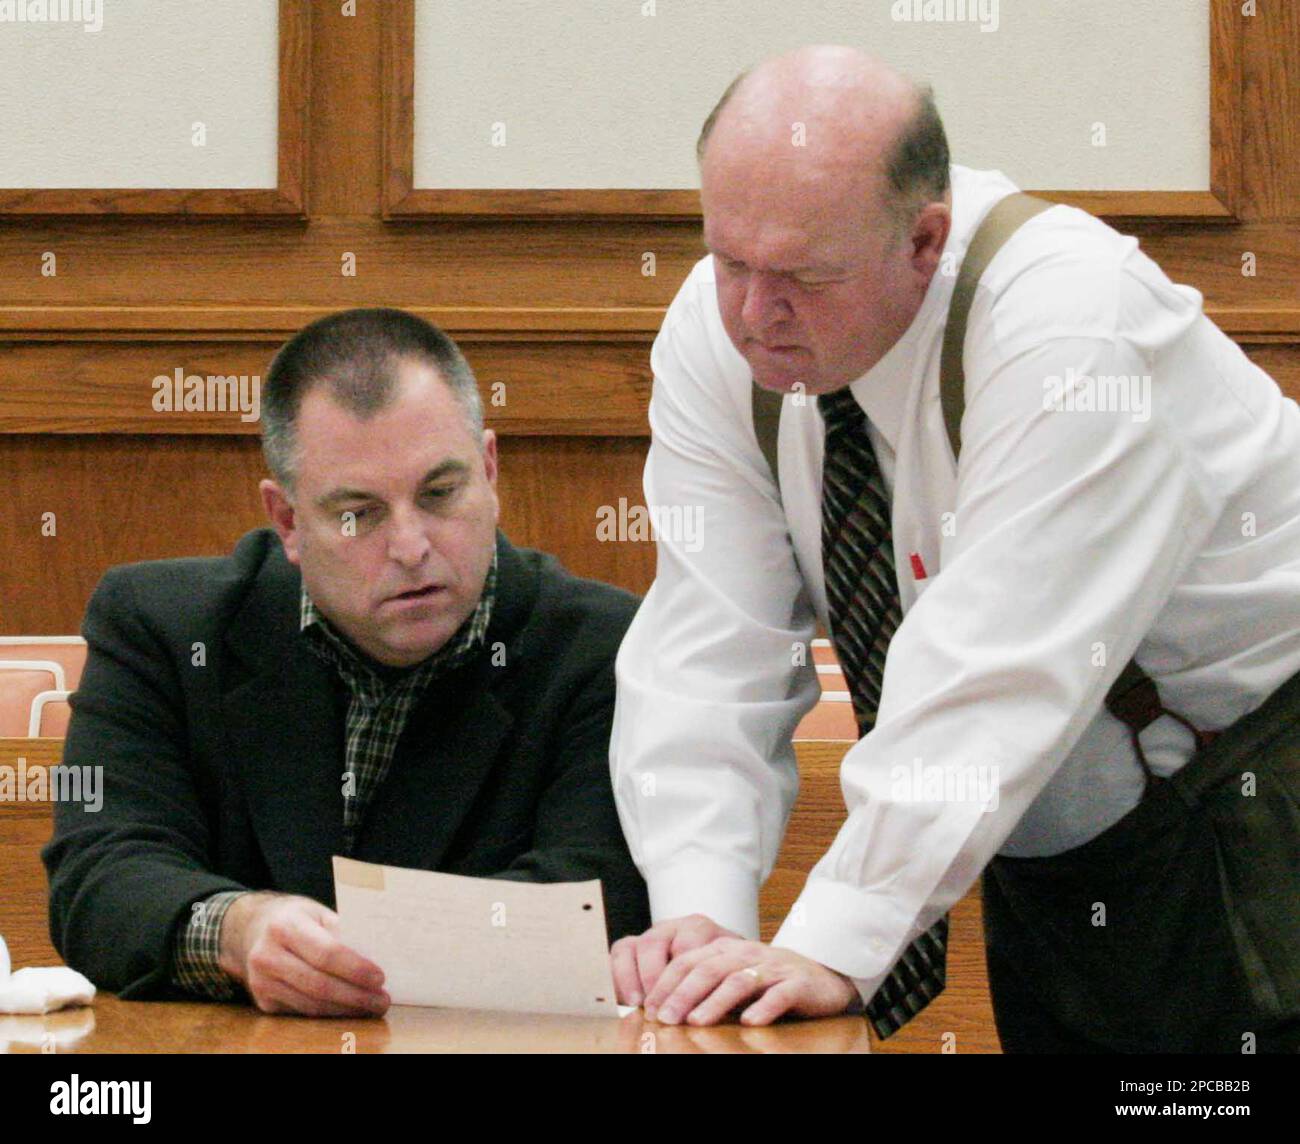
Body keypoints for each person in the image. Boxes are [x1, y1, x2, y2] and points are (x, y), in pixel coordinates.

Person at [608, 46, 1300, 1051]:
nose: (754, 314)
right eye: (728, 259)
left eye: (803, 274)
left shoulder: (1070, 320)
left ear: (925, 240)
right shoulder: (722, 335)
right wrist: (699, 925)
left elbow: (994, 669)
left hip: (1251, 820)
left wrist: (833, 946)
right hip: (1053, 854)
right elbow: (708, 648)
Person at [44, 308, 649, 1017]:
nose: (412, 546)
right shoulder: (161, 628)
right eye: (360, 513)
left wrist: (350, 952)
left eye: (440, 493)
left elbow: (595, 902)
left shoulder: (603, 647)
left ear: (490, 470)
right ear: (290, 521)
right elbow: (99, 873)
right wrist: (234, 931)